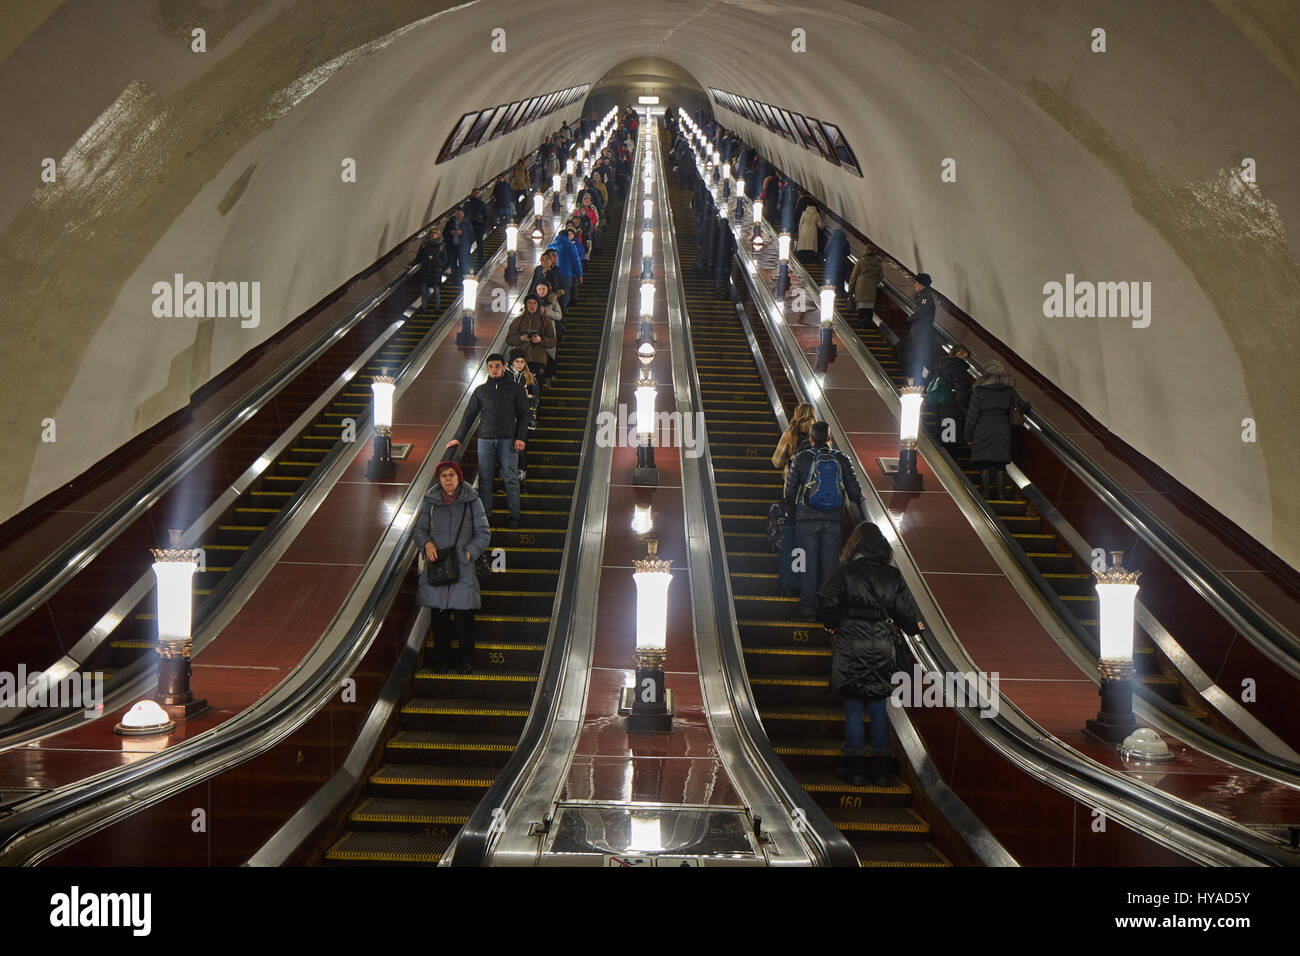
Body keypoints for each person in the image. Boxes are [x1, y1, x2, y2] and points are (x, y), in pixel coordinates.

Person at [818, 521, 925, 785]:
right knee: (878, 706)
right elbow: (907, 615)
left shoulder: (848, 572)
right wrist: (914, 626)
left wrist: (832, 624)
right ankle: (881, 771)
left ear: (856, 545)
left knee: (854, 704)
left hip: (852, 640)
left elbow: (826, 599)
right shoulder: (893, 576)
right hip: (882, 643)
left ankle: (854, 769)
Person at [413, 460, 491, 674]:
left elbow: (484, 533)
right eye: (444, 476)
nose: (448, 479)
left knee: (464, 617)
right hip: (438, 566)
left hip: (462, 568)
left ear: (459, 478)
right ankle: (442, 659)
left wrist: (468, 553)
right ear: (439, 480)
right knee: (439, 618)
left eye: (451, 475)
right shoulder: (430, 502)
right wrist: (426, 543)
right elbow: (419, 529)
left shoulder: (472, 501)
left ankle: (466, 660)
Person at [783, 422, 866, 620]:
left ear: (811, 439)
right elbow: (855, 491)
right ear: (830, 438)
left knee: (808, 564)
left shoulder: (802, 458)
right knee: (830, 565)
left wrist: (792, 515)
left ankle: (808, 609)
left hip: (806, 520)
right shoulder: (842, 459)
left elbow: (790, 490)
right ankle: (828, 609)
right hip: (833, 519)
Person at [446, 353, 530, 528]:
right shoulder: (481, 391)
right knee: (485, 478)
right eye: (490, 367)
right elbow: (468, 416)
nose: (494, 370)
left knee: (511, 478)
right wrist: (458, 438)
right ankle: (486, 515)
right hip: (485, 439)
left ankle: (515, 516)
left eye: (497, 366)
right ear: (487, 368)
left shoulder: (516, 389)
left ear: (504, 367)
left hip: (508, 439)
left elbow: (524, 415)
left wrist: (521, 438)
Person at [965, 359, 1030, 501]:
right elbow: (1024, 405)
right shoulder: (1009, 390)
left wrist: (969, 436)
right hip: (1003, 427)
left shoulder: (979, 391)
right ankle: (1000, 496)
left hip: (983, 427)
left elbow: (972, 415)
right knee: (1000, 464)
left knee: (984, 464)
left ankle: (984, 496)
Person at [771, 403, 816, 596]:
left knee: (792, 537)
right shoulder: (821, 434)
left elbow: (776, 462)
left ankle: (792, 578)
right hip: (815, 499)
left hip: (792, 495)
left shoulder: (790, 434)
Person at [929, 345, 972, 448]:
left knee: (944, 438)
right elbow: (962, 391)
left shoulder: (939, 366)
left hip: (939, 406)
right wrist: (967, 410)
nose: (965, 360)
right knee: (951, 442)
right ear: (958, 354)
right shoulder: (958, 367)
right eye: (964, 357)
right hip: (953, 409)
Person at [507, 294, 555, 382]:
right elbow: (509, 340)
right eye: (529, 303)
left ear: (538, 305)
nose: (532, 305)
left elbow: (553, 341)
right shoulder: (518, 321)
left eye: (534, 303)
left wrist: (540, 340)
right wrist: (520, 338)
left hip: (538, 360)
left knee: (536, 386)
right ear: (525, 305)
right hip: (521, 360)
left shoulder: (546, 322)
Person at [508, 350, 539, 483]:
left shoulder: (529, 377)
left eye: (522, 361)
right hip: (508, 417)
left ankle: (521, 470)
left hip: (524, 416)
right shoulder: (505, 376)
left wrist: (528, 398)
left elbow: (536, 397)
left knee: (522, 443)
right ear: (512, 362)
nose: (520, 364)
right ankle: (509, 470)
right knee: (509, 444)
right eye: (517, 361)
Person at [900, 273, 936, 384]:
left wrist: (909, 319)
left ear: (922, 284)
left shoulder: (926, 298)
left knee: (917, 358)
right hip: (918, 334)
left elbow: (921, 313)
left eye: (915, 283)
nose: (914, 285)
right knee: (910, 355)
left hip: (921, 335)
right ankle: (913, 381)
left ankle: (916, 383)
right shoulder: (923, 297)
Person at [848, 246, 883, 326]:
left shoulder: (861, 262)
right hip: (872, 287)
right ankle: (869, 323)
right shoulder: (877, 263)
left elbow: (853, 277)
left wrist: (850, 290)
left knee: (861, 306)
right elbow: (880, 277)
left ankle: (862, 323)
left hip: (861, 286)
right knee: (869, 307)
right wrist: (874, 281)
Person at [549, 227, 583, 309]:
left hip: (553, 275)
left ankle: (556, 312)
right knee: (565, 294)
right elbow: (576, 262)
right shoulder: (571, 246)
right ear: (567, 236)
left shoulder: (551, 246)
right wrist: (579, 275)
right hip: (567, 275)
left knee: (554, 294)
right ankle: (562, 312)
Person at [412, 224, 445, 311]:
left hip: (435, 272)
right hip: (425, 271)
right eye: (431, 233)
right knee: (424, 292)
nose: (433, 234)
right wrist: (411, 265)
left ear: (438, 234)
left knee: (437, 292)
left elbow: (445, 259)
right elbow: (418, 257)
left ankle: (436, 308)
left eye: (435, 233)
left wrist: (439, 265)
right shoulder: (424, 245)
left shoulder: (441, 246)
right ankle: (423, 308)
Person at [463, 187, 489, 268]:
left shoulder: (480, 204)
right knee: (470, 244)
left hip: (478, 226)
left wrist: (484, 226)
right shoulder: (468, 204)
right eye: (475, 192)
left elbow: (486, 216)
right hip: (471, 226)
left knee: (478, 244)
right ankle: (469, 261)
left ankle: (479, 261)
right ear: (472, 193)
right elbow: (464, 216)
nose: (476, 194)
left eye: (477, 192)